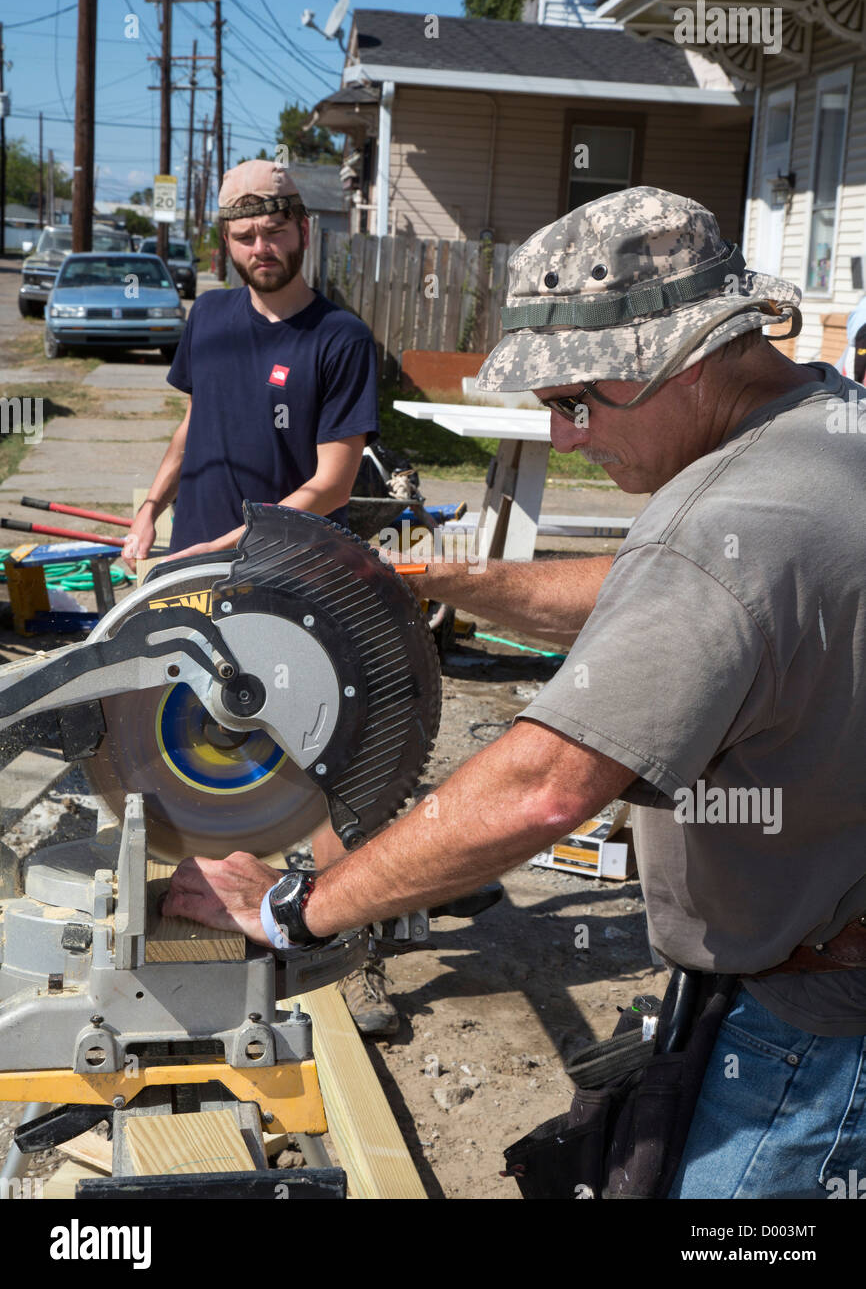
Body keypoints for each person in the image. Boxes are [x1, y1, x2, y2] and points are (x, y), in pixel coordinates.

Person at [163, 187, 866, 1198]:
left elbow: (543, 787)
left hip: (812, 1030)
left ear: (679, 361)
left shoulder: (734, 521)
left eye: (573, 402)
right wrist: (434, 584)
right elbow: (670, 606)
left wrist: (295, 908)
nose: (567, 438)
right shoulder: (822, 427)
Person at [124, 160, 400, 1037]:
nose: (260, 249)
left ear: (303, 230)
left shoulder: (340, 338)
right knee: (195, 742)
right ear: (228, 240)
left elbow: (331, 480)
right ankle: (218, 898)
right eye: (244, 236)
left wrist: (242, 539)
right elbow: (191, 422)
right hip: (193, 567)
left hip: (287, 583)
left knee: (320, 758)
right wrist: (148, 508)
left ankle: (343, 941)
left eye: (274, 231)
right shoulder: (206, 318)